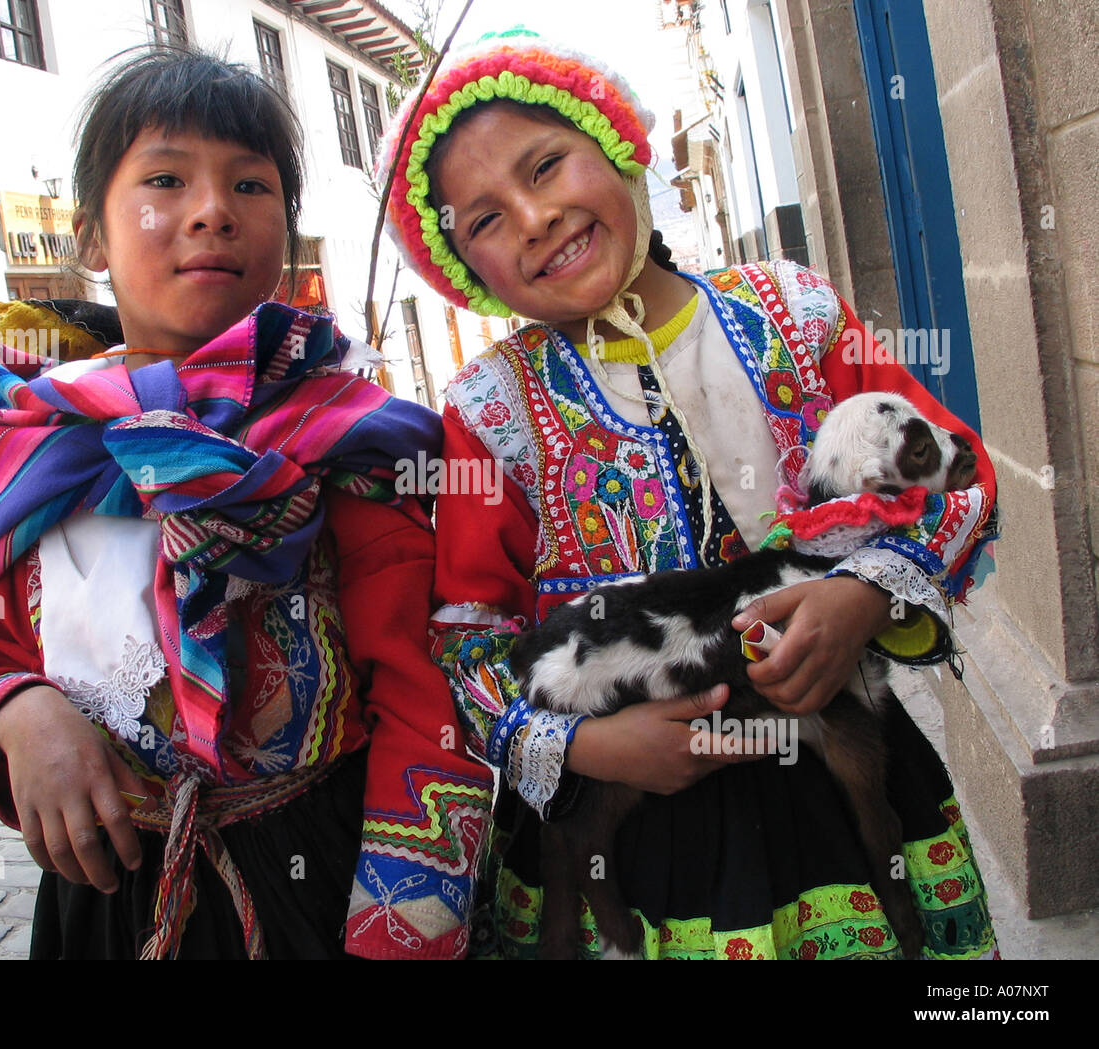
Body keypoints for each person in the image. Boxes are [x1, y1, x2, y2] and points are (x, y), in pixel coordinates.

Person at [379, 29, 1000, 959]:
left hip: (840, 772)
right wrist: (585, 751)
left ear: (621, 146)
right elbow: (466, 642)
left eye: (547, 166)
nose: (535, 218)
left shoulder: (793, 315)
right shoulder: (490, 414)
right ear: (466, 270)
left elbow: (959, 474)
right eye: (486, 220)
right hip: (632, 828)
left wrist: (864, 591)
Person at [0, 45, 491, 960]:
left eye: (251, 186)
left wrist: (403, 921)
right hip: (105, 901)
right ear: (90, 237)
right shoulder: (23, 443)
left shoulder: (348, 436)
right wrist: (14, 713)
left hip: (327, 880)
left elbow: (423, 683)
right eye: (164, 179)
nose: (212, 211)